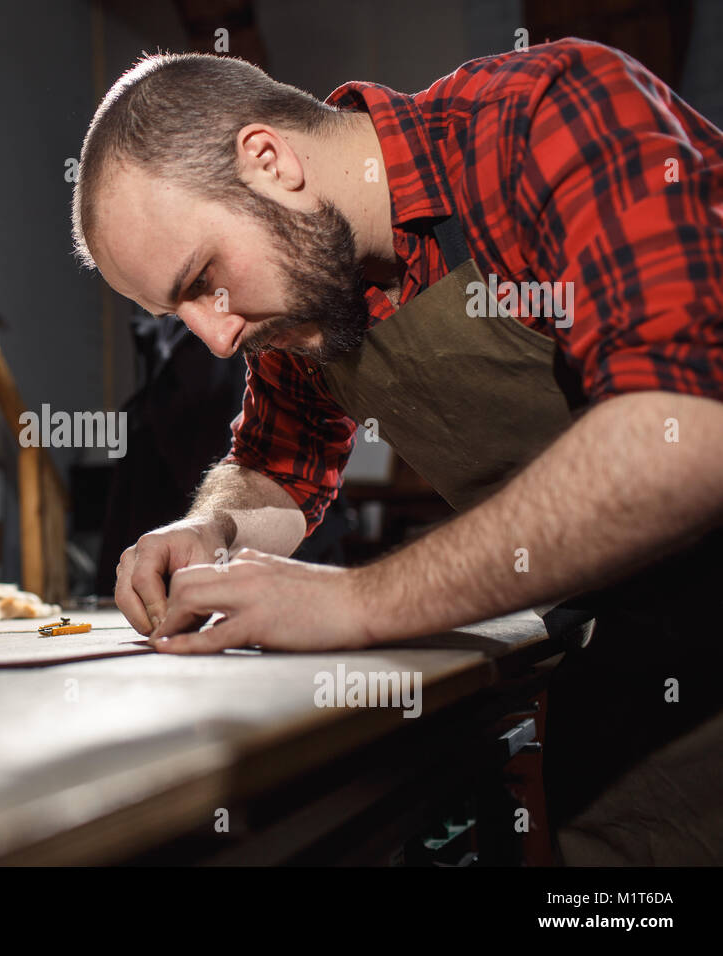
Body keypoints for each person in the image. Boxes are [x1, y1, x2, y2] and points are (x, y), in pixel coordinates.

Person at [70, 39, 723, 864]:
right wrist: (212, 535)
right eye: (182, 313)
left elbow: (686, 427)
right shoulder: (308, 291)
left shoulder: (538, 120)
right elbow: (277, 465)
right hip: (633, 652)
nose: (217, 335)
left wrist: (356, 604)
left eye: (204, 279)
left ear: (269, 160)